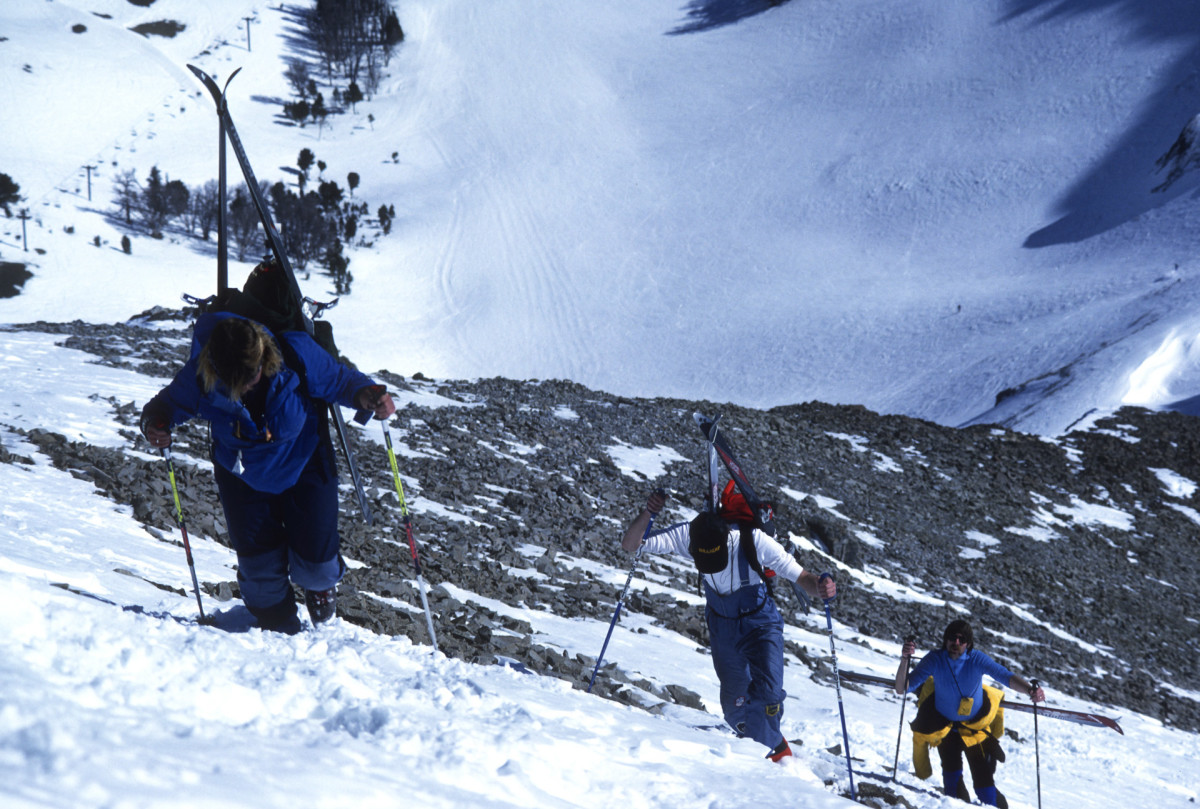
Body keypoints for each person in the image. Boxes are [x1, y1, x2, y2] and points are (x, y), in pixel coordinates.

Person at [141, 312, 395, 634]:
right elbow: (162, 407)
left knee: (318, 568)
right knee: (262, 586)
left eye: (253, 374)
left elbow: (340, 380)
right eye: (237, 382)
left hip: (304, 461)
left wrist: (368, 395)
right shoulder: (201, 375)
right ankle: (278, 632)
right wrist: (155, 425)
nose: (248, 385)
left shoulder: (295, 352)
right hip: (241, 473)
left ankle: (319, 586)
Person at [621, 487, 836, 762]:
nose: (709, 565)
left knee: (768, 692)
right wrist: (649, 512)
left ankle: (771, 754)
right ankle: (760, 745)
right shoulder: (688, 535)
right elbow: (631, 545)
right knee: (734, 707)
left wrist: (822, 587)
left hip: (760, 624)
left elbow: (803, 578)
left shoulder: (755, 541)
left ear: (726, 541)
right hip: (723, 627)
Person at [894, 620, 1046, 806]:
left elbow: (1005, 676)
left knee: (985, 791)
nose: (956, 643)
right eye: (952, 637)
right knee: (952, 790)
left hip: (975, 731)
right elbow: (902, 688)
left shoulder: (976, 659)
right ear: (945, 639)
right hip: (946, 730)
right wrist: (904, 659)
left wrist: (1030, 690)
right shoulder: (935, 659)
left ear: (968, 643)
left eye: (962, 639)